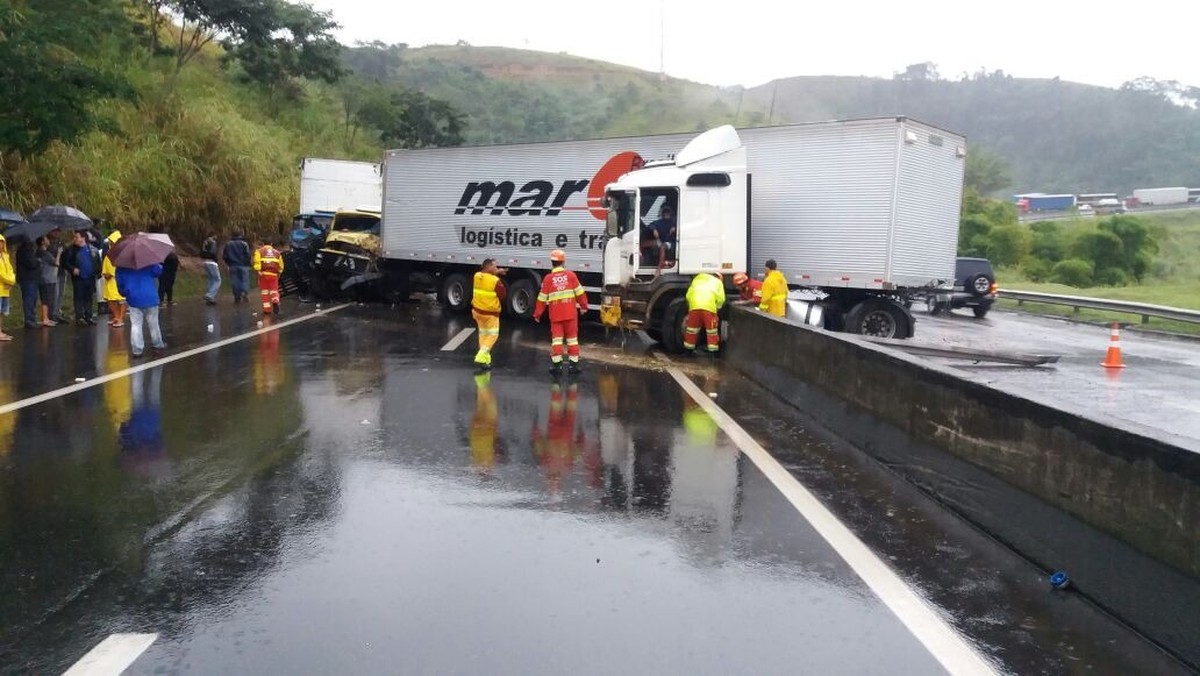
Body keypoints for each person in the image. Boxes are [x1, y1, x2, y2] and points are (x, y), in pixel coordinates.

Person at [532, 249, 588, 376]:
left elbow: (542, 298)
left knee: (557, 341)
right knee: (572, 340)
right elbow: (580, 292)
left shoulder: (548, 279)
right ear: (563, 261)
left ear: (552, 262)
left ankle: (557, 367)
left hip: (556, 316)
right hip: (570, 315)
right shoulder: (571, 275)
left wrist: (537, 314)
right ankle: (574, 366)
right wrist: (584, 306)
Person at [116, 261, 166, 358]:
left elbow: (120, 284)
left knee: (136, 324)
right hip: (150, 296)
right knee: (153, 323)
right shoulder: (147, 261)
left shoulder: (122, 265)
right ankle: (158, 345)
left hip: (133, 297)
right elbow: (158, 271)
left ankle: (137, 350)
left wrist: (124, 293)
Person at [471, 258, 507, 370]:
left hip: (477, 311)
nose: (496, 268)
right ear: (489, 267)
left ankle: (485, 362)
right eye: (495, 266)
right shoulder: (495, 281)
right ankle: (481, 356)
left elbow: (486, 274)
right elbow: (503, 295)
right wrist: (497, 275)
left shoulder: (477, 276)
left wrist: (497, 271)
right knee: (492, 335)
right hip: (490, 313)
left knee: (483, 335)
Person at [63, 230, 101, 326]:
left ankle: (89, 316)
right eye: (75, 237)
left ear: (83, 238)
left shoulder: (92, 249)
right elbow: (65, 262)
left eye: (77, 237)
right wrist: (73, 269)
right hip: (78, 278)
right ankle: (79, 317)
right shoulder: (71, 250)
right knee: (79, 297)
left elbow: (97, 261)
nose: (75, 239)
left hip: (90, 277)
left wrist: (97, 272)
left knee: (89, 297)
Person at [683, 271, 725, 355]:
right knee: (711, 331)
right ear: (719, 278)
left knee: (691, 330)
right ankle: (713, 353)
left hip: (694, 307)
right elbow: (721, 299)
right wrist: (717, 308)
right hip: (709, 308)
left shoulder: (697, 280)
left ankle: (688, 351)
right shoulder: (718, 282)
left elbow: (688, 296)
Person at [14, 236, 40, 329]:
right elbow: (32, 263)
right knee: (29, 299)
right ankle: (29, 320)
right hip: (28, 278)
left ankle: (31, 318)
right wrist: (38, 261)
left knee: (32, 299)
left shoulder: (24, 250)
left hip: (28, 278)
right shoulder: (26, 250)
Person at [252, 239, 283, 315]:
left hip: (263, 274)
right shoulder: (277, 253)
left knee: (264, 292)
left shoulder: (259, 251)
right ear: (271, 243)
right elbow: (281, 265)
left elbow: (257, 261)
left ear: (263, 244)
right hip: (273, 274)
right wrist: (279, 272)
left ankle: (267, 310)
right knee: (274, 290)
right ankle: (275, 301)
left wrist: (258, 270)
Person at [102, 231, 126, 327]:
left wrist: (110, 274)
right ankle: (116, 316)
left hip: (116, 279)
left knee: (121, 299)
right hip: (109, 280)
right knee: (110, 300)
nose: (110, 243)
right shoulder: (110, 252)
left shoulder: (121, 253)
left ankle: (120, 318)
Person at [35, 236, 59, 327]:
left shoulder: (37, 252)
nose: (48, 241)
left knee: (46, 298)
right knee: (46, 299)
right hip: (47, 278)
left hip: (43, 277)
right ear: (42, 242)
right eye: (46, 239)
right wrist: (59, 253)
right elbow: (56, 263)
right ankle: (45, 318)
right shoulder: (45, 253)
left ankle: (46, 317)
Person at [224, 230, 253, 304]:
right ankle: (244, 292)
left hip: (233, 265)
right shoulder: (244, 244)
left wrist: (229, 263)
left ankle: (237, 296)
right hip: (243, 265)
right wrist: (248, 263)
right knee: (244, 280)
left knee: (235, 281)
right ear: (240, 235)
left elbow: (225, 256)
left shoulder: (228, 244)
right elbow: (247, 255)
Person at [49, 232, 68, 323]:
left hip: (62, 270)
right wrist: (59, 251)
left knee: (61, 293)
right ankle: (53, 314)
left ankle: (57, 312)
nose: (58, 233)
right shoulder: (49, 243)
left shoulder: (61, 243)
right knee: (55, 294)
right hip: (54, 271)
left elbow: (66, 251)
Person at [0, 235, 15, 341]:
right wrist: (9, 281)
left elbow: (10, 270)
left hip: (6, 289)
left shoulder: (5, 256)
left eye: (2, 242)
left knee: (2, 312)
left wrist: (11, 282)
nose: (0, 244)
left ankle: (0, 331)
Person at [200, 231, 220, 305]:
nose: (217, 237)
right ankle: (210, 295)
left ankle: (210, 299)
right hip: (212, 262)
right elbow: (213, 252)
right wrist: (216, 259)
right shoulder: (213, 242)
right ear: (213, 235)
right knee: (217, 280)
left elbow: (202, 252)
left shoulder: (205, 242)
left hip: (205, 262)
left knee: (211, 280)